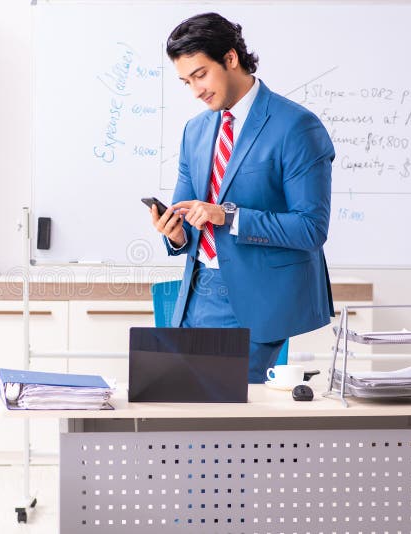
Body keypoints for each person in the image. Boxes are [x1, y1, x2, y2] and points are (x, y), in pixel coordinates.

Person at [150, 12, 335, 383]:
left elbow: (311, 228)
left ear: (231, 58)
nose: (196, 91)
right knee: (187, 415)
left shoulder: (296, 126)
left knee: (227, 424)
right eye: (187, 82)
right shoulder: (196, 130)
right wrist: (175, 232)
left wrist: (228, 217)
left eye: (201, 74)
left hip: (256, 301)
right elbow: (190, 216)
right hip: (196, 294)